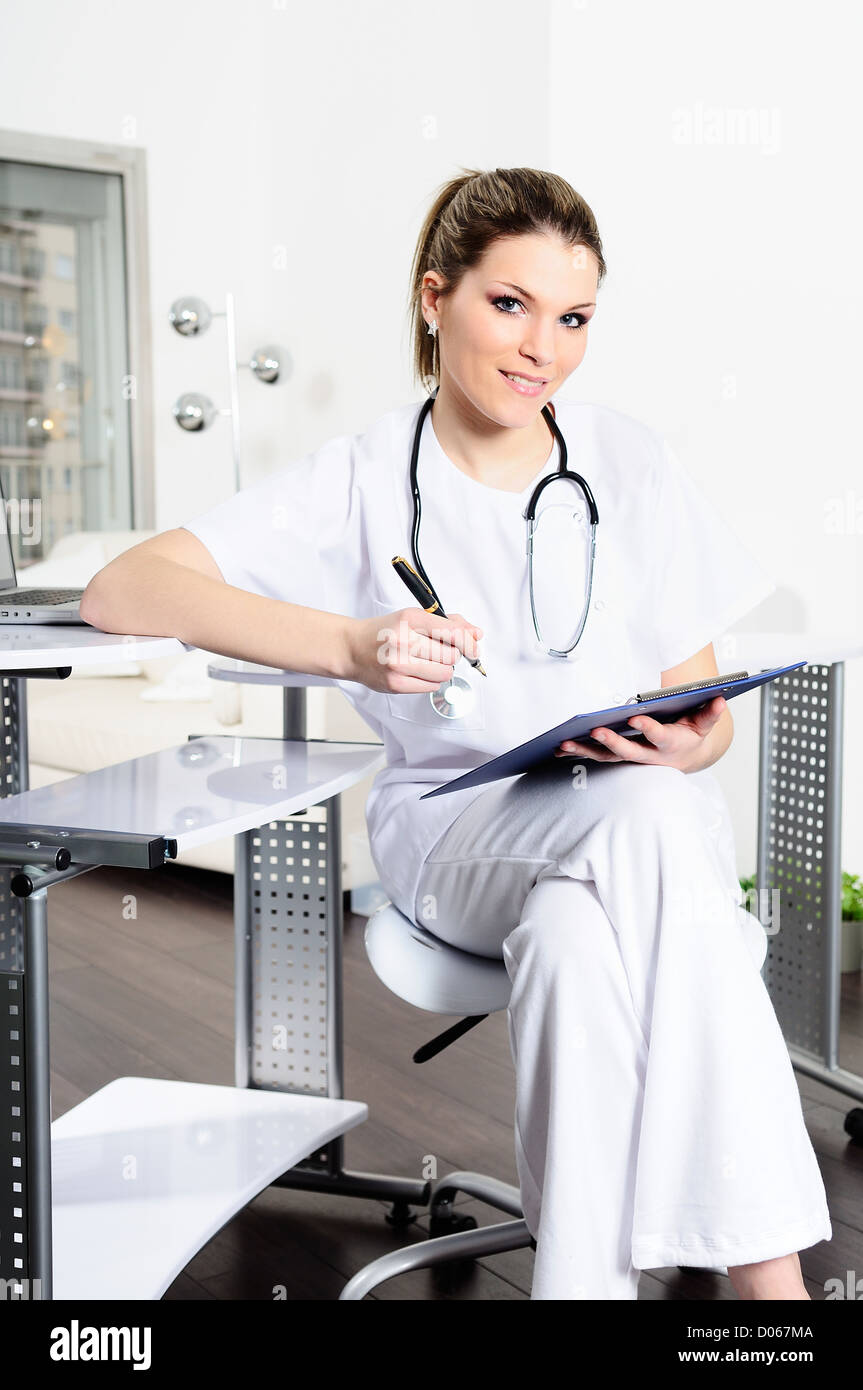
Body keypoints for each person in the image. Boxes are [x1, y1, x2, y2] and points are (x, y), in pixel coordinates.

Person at [80, 166, 832, 1301]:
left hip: (619, 836)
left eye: (572, 318)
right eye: (510, 305)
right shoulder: (361, 477)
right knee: (652, 823)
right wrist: (348, 646)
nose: (544, 349)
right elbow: (124, 589)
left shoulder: (624, 461)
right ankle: (764, 1292)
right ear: (436, 299)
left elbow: (700, 711)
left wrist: (689, 743)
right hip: (451, 835)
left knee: (581, 940)